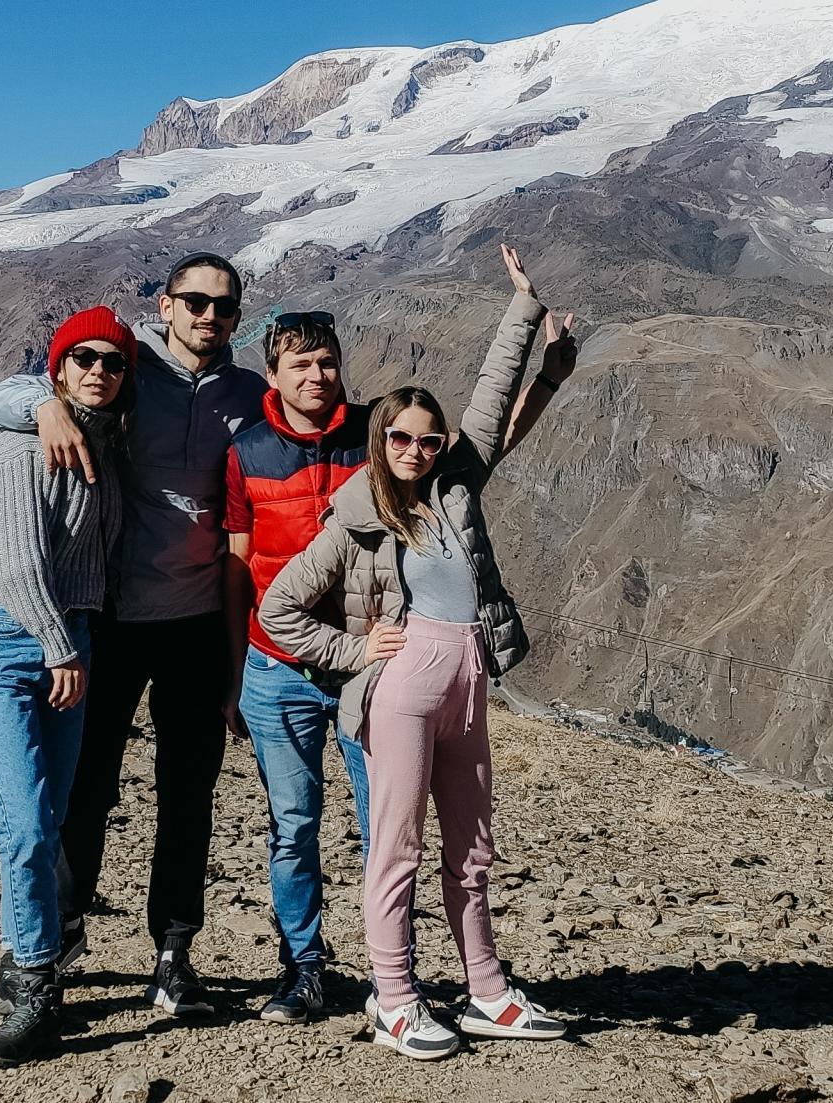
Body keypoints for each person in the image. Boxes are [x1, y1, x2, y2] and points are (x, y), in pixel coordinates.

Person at [230, 260, 577, 1025]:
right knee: (386, 844)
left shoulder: (455, 485)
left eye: (426, 438)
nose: (414, 448)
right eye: (399, 437)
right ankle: (387, 996)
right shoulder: (357, 513)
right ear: (379, 441)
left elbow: (491, 403)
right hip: (392, 685)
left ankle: (486, 991)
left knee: (471, 846)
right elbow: (277, 604)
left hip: (465, 684)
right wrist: (353, 652)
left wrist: (523, 309)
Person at [0, 253, 265, 1019]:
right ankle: (60, 931)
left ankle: (174, 951)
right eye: (194, 301)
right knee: (85, 786)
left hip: (197, 619)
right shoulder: (127, 367)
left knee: (188, 793)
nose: (208, 315)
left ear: (237, 317)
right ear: (165, 305)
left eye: (224, 306)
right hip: (111, 614)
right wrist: (44, 404)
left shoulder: (248, 396)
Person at [0, 306, 134, 1067]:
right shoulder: (22, 448)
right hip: (5, 646)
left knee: (50, 817)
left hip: (71, 644)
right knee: (26, 820)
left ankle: (28, 953)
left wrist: (77, 643)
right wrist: (62, 647)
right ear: (56, 370)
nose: (98, 371)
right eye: (83, 358)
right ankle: (35, 983)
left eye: (113, 362)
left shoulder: (103, 448)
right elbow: (15, 564)